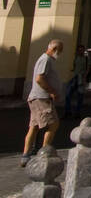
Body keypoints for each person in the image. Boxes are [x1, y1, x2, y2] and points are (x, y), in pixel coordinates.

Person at [21, 38, 64, 166]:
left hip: (37, 98)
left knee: (34, 127)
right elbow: (40, 78)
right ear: (54, 49)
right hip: (41, 98)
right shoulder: (45, 59)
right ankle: (44, 154)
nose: (60, 54)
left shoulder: (46, 59)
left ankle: (25, 156)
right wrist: (52, 92)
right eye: (60, 50)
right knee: (53, 124)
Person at [63, 44, 89, 120]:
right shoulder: (75, 57)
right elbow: (72, 67)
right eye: (79, 50)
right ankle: (68, 111)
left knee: (80, 96)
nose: (81, 51)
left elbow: (88, 68)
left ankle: (77, 113)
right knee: (68, 95)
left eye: (82, 50)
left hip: (81, 78)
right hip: (74, 77)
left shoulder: (86, 58)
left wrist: (85, 78)